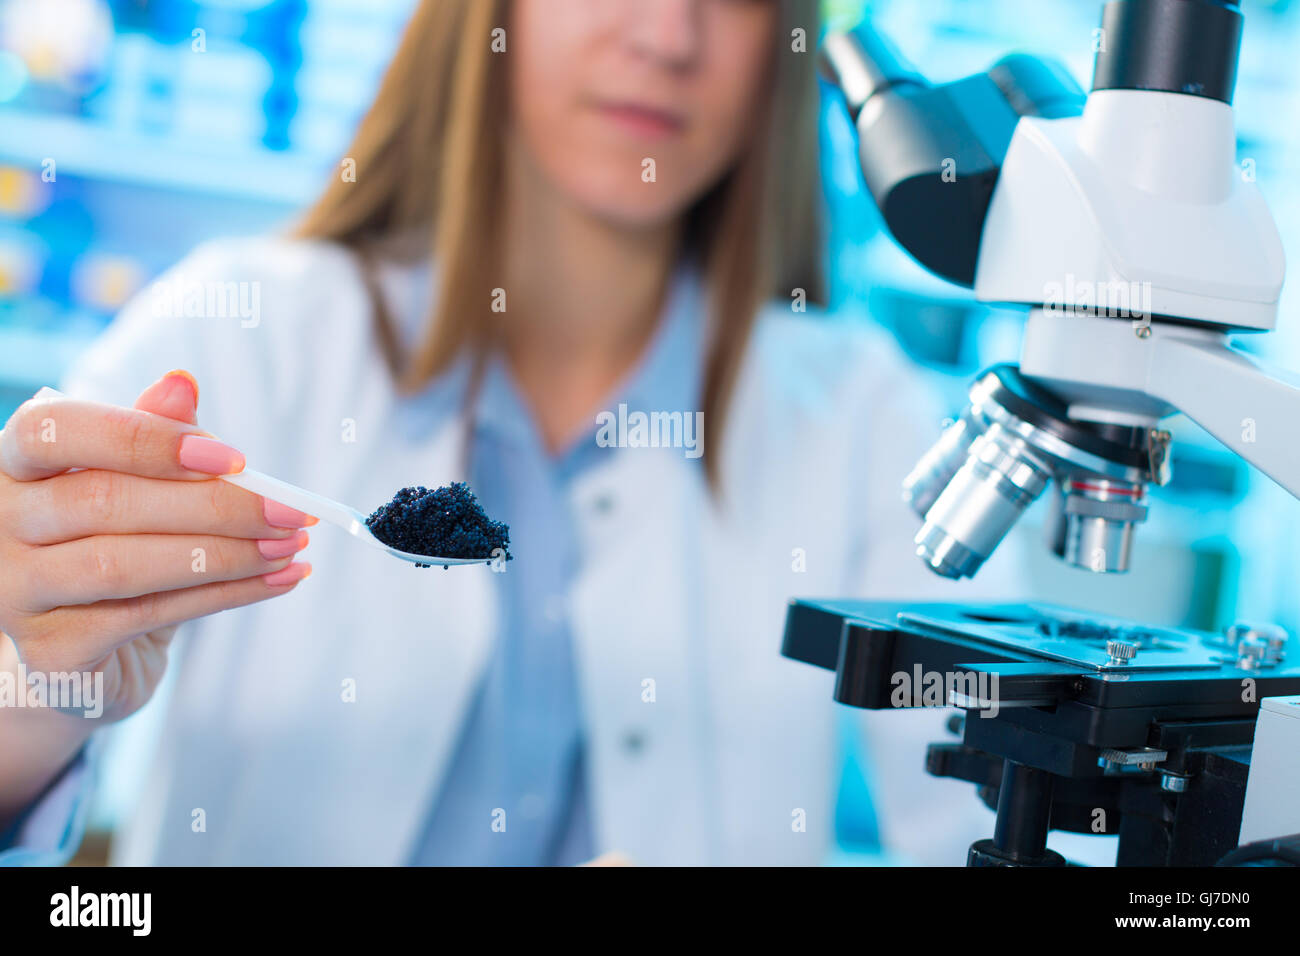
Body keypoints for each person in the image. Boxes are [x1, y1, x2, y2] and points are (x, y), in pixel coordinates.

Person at [0, 0, 1019, 866]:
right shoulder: (233, 334)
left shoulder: (861, 416)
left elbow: (991, 804)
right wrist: (36, 679)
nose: (669, 34)